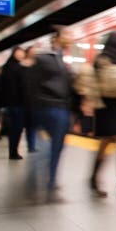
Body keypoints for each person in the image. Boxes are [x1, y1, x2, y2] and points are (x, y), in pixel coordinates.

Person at [76, 31, 116, 197]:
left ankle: (94, 179)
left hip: (105, 107)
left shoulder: (100, 60)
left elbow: (93, 86)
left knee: (104, 144)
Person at [29, 26, 74, 200]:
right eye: (67, 34)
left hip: (61, 108)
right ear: (56, 38)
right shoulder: (43, 58)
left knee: (56, 148)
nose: (70, 37)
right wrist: (35, 112)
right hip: (48, 108)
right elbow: (32, 86)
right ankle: (34, 182)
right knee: (48, 149)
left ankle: (51, 183)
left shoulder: (61, 59)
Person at [0, 47, 27, 159]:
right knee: (15, 127)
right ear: (13, 54)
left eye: (22, 53)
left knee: (18, 128)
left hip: (21, 102)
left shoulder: (20, 67)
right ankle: (12, 152)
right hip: (13, 102)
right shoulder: (9, 67)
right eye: (18, 53)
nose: (20, 55)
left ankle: (14, 151)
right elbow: (7, 86)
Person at [20, 46, 38, 153]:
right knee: (28, 125)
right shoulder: (21, 65)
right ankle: (30, 145)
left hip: (35, 100)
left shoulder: (38, 65)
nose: (33, 54)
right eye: (31, 52)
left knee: (33, 124)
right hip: (24, 100)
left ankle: (32, 145)